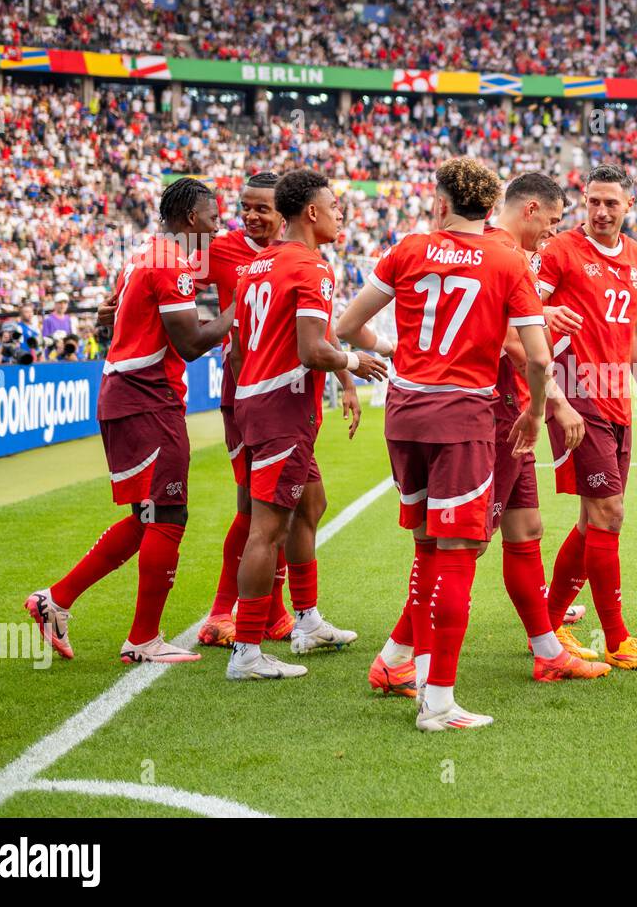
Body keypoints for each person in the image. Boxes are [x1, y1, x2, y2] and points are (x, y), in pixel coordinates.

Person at [364, 171, 604, 696]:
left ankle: (547, 652)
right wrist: (557, 404)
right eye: (553, 222)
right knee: (459, 546)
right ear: (530, 210)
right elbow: (508, 347)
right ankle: (401, 658)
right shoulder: (496, 251)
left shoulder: (507, 256)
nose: (553, 234)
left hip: (504, 412)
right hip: (485, 416)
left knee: (527, 529)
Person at [337, 157, 552, 730]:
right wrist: (533, 414)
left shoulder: (409, 248)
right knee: (458, 553)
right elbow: (538, 356)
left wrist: (390, 351)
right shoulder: (507, 259)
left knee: (429, 546)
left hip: (405, 413)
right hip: (461, 417)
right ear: (489, 208)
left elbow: (345, 326)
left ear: (440, 203)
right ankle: (438, 703)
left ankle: (403, 664)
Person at [26, 178, 235, 663]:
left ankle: (53, 601)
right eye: (212, 216)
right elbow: (188, 343)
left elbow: (114, 311)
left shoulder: (144, 249)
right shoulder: (172, 262)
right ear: (190, 220)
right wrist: (235, 310)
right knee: (168, 513)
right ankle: (143, 640)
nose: (217, 225)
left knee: (147, 517)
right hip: (146, 398)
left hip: (127, 393)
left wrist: (113, 318)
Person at [226, 170, 387, 681]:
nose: (342, 214)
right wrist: (354, 364)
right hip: (282, 408)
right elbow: (312, 348)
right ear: (311, 213)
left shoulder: (255, 265)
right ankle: (246, 651)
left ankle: (308, 620)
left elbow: (236, 352)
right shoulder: (312, 268)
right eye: (335, 205)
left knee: (311, 503)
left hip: (256, 401)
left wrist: (254, 388)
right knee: (266, 528)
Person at [535, 164, 637, 671]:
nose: (602, 211)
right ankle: (617, 638)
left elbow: (636, 330)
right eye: (593, 201)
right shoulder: (560, 251)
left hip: (617, 400)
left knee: (594, 522)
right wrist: (552, 398)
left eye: (612, 203)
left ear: (629, 205)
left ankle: (546, 627)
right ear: (583, 203)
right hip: (576, 395)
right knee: (609, 514)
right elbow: (528, 316)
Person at [196, 172, 310, 648]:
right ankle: (222, 613)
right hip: (245, 397)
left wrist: (343, 380)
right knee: (253, 508)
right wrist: (123, 296)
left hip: (290, 399)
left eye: (262, 208)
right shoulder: (221, 250)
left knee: (294, 503)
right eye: (245, 207)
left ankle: (278, 613)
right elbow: (165, 270)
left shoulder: (297, 257)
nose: (251, 215)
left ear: (284, 214)